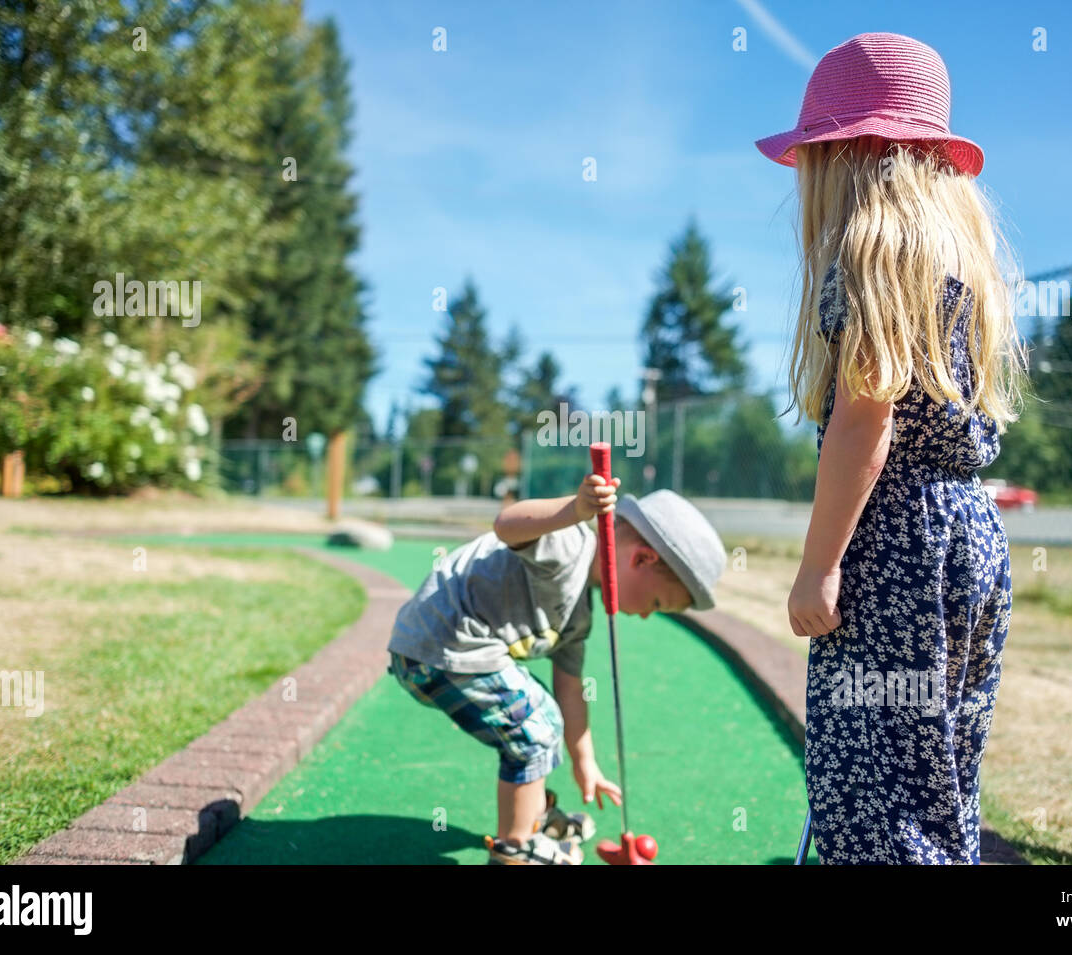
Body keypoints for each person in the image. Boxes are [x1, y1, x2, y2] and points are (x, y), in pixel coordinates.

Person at [755, 32, 1027, 864]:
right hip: (969, 537)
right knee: (940, 780)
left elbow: (863, 423)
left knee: (871, 796)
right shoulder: (964, 258)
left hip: (892, 543)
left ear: (854, 151)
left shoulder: (868, 254)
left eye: (817, 154)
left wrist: (818, 564)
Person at [386, 472, 727, 864]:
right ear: (641, 559)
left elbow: (570, 690)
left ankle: (533, 815)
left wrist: (586, 765)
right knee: (536, 725)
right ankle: (516, 849)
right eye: (656, 602)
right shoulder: (571, 545)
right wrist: (576, 510)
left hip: (442, 654)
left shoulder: (578, 619)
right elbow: (507, 525)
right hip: (440, 642)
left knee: (539, 715)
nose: (648, 616)